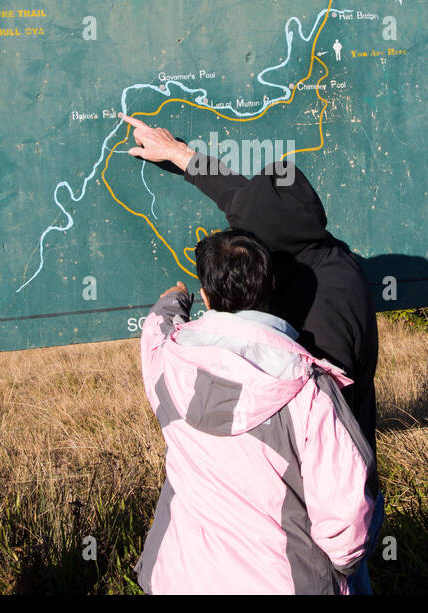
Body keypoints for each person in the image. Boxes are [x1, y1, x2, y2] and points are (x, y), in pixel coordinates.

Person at [119, 113, 380, 482]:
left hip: (323, 485)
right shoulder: (305, 240)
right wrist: (178, 153)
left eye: (244, 230)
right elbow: (237, 196)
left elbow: (321, 420)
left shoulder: (327, 307)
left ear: (269, 239)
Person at [136, 229, 376, 594]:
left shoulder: (168, 363)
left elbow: (157, 328)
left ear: (206, 296)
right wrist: (339, 568)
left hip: (183, 578)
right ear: (272, 287)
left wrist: (175, 298)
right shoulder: (308, 391)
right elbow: (345, 522)